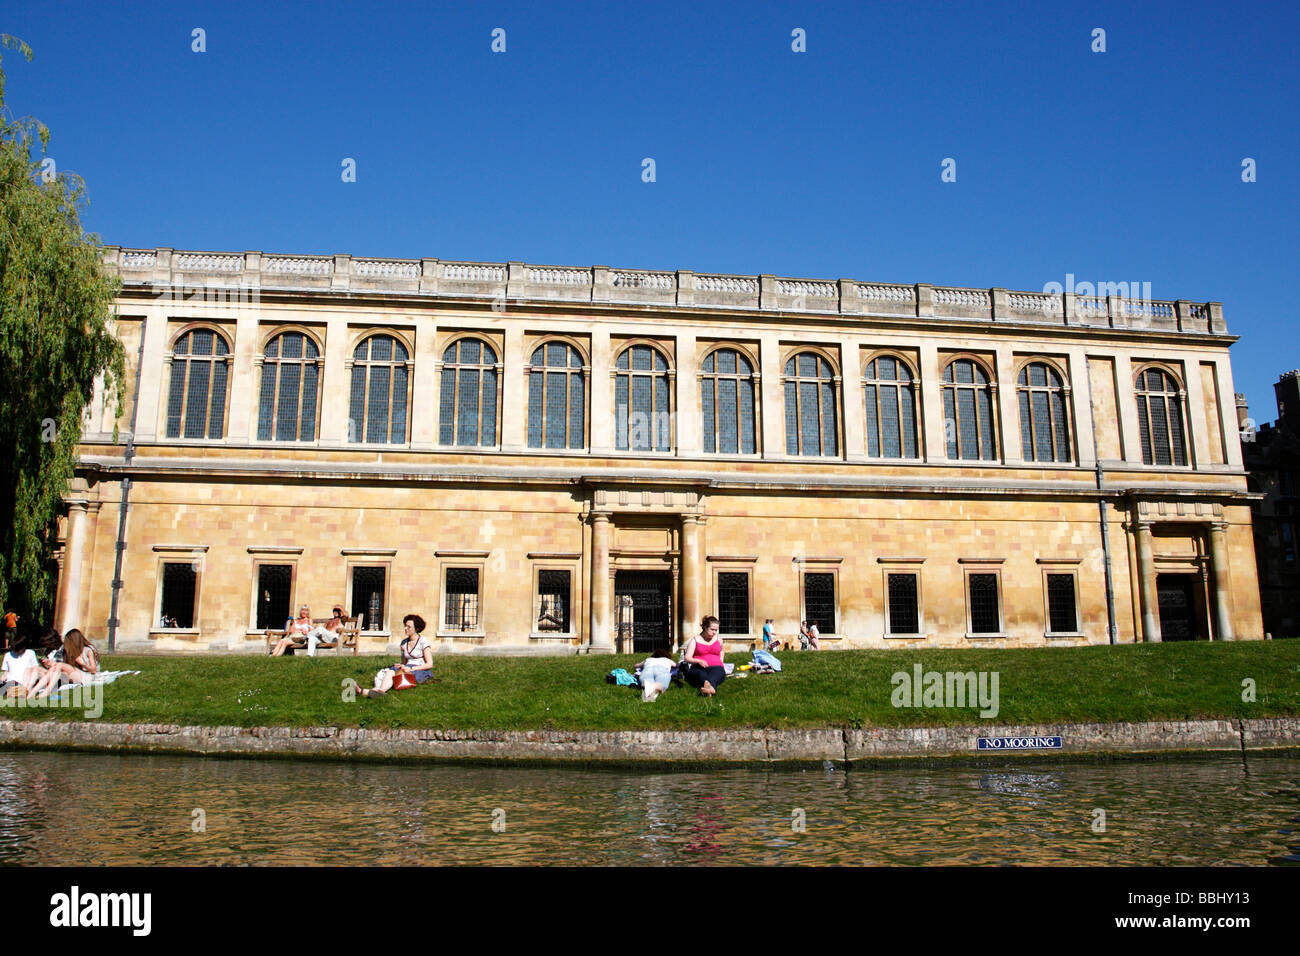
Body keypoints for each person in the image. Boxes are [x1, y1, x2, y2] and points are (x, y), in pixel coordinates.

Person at [347, 614, 431, 699]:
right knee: (389, 672)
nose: (406, 628)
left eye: (409, 627)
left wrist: (411, 669)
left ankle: (365, 691)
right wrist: (401, 665)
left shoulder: (423, 641)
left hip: (419, 669)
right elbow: (404, 662)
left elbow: (429, 664)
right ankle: (380, 690)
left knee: (398, 675)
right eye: (405, 626)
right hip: (407, 667)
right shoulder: (404, 643)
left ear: (416, 629)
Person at [29, 629, 99, 699]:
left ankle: (47, 691)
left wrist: (82, 663)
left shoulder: (88, 650)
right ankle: (32, 691)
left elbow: (93, 670)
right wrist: (48, 664)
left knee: (59, 665)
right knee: (38, 668)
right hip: (69, 674)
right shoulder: (72, 650)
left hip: (85, 677)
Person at [271, 604, 341, 657]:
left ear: (308, 612)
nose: (304, 612)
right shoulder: (296, 620)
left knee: (284, 643)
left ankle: (276, 657)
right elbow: (290, 631)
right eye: (302, 610)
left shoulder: (309, 620)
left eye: (305, 611)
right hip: (293, 636)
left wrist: (305, 632)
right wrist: (296, 629)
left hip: (301, 637)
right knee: (281, 641)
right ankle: (273, 656)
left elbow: (310, 630)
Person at [681, 615, 726, 696]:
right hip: (699, 667)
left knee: (716, 674)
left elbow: (722, 650)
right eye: (712, 629)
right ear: (705, 627)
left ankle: (708, 688)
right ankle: (710, 689)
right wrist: (699, 661)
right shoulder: (695, 640)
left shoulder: (718, 639)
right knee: (701, 675)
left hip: (716, 667)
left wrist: (721, 661)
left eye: (716, 630)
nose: (714, 632)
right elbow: (687, 658)